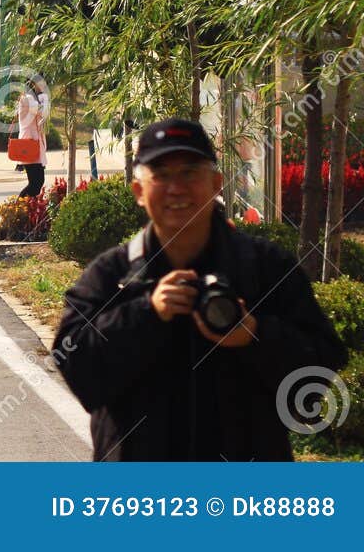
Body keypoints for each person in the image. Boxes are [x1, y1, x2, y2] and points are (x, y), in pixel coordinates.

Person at [53, 118, 346, 461]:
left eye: (191, 172)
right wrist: (146, 312)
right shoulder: (111, 275)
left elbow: (318, 374)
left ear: (216, 184)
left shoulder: (267, 268)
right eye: (161, 175)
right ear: (138, 192)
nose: (177, 188)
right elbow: (78, 370)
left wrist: (256, 334)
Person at [15, 78, 51, 198]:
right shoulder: (27, 99)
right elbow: (43, 112)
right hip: (29, 145)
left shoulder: (32, 99)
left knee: (38, 182)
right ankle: (18, 206)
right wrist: (45, 98)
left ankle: (23, 207)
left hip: (34, 144)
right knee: (35, 183)